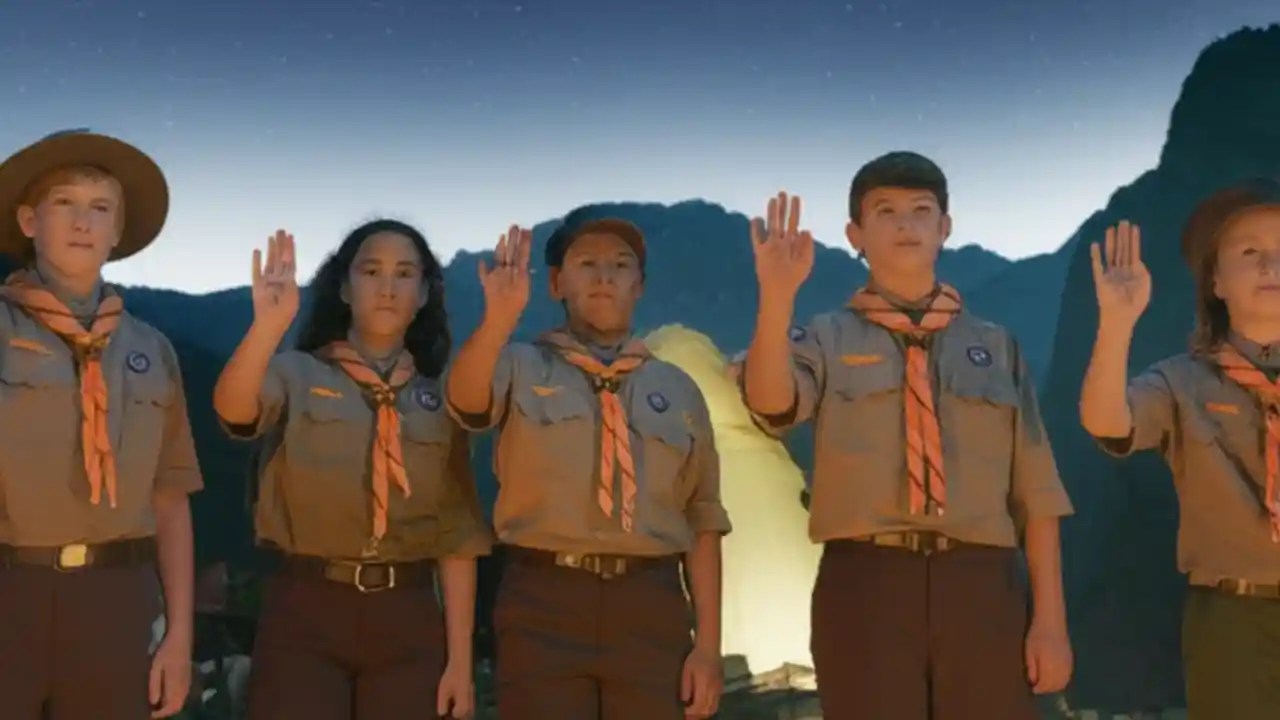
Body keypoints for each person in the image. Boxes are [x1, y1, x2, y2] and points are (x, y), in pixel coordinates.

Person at [738, 151, 1075, 719]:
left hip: (982, 582)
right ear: (855, 234)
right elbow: (772, 403)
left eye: (922, 210)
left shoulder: (995, 347)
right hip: (866, 581)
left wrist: (1051, 623)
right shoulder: (824, 336)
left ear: (945, 228)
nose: (905, 223)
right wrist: (776, 295)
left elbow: (1036, 492)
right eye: (885, 210)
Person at [446, 206, 731, 719]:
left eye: (620, 265)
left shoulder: (678, 389)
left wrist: (707, 647)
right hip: (543, 600)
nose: (604, 275)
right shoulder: (516, 364)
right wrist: (496, 321)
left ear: (639, 285)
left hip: (652, 603)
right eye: (586, 263)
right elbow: (465, 403)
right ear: (556, 283)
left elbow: (703, 517)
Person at [212, 220, 490, 720]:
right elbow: (235, 409)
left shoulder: (439, 401)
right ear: (344, 286)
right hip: (307, 606)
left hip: (408, 613)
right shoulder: (296, 374)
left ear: (425, 292)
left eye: (405, 273)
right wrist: (267, 327)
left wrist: (459, 661)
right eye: (371, 270)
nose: (387, 287)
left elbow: (457, 538)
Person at [0, 129, 202, 719]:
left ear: (117, 233)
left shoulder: (151, 349)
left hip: (116, 600)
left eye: (101, 208)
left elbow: (170, 498)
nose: (83, 221)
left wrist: (180, 636)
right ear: (30, 219)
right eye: (65, 202)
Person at [1079, 178, 1280, 718]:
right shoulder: (1182, 381)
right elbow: (1108, 423)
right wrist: (1116, 324)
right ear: (1216, 280)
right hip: (1231, 615)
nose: (1269, 264)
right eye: (1249, 251)